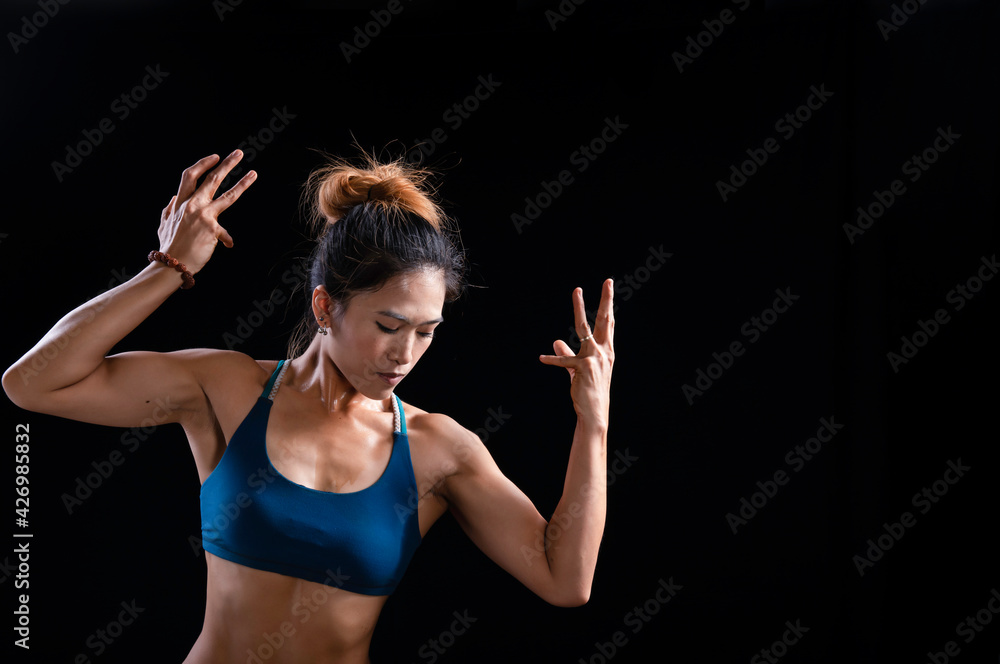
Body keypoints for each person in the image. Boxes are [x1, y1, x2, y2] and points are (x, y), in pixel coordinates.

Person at [2, 148, 615, 663]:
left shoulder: (438, 449)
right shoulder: (227, 389)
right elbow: (33, 384)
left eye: (426, 332)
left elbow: (566, 582)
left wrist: (594, 421)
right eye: (389, 324)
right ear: (326, 308)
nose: (405, 353)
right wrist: (169, 269)